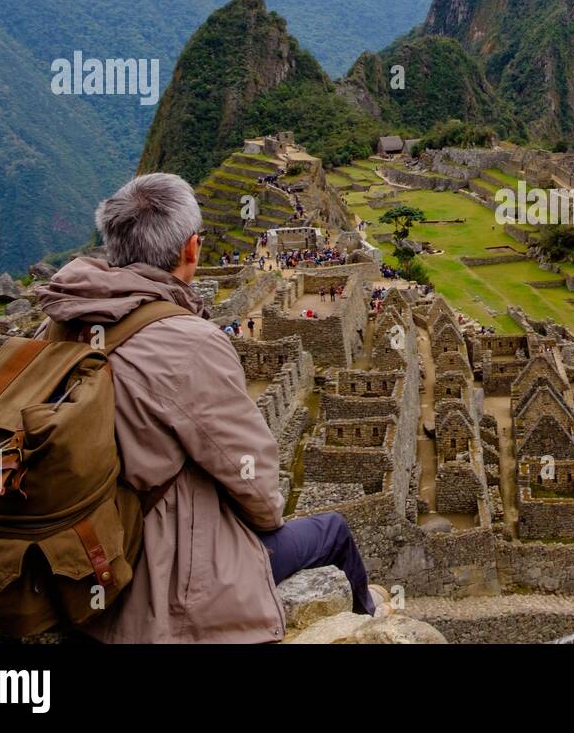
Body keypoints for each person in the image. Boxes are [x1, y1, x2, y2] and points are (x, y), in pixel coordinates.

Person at [36, 173, 383, 643]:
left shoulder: (55, 328)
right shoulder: (190, 343)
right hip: (158, 580)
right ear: (192, 249)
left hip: (72, 559)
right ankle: (373, 621)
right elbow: (254, 480)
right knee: (334, 530)